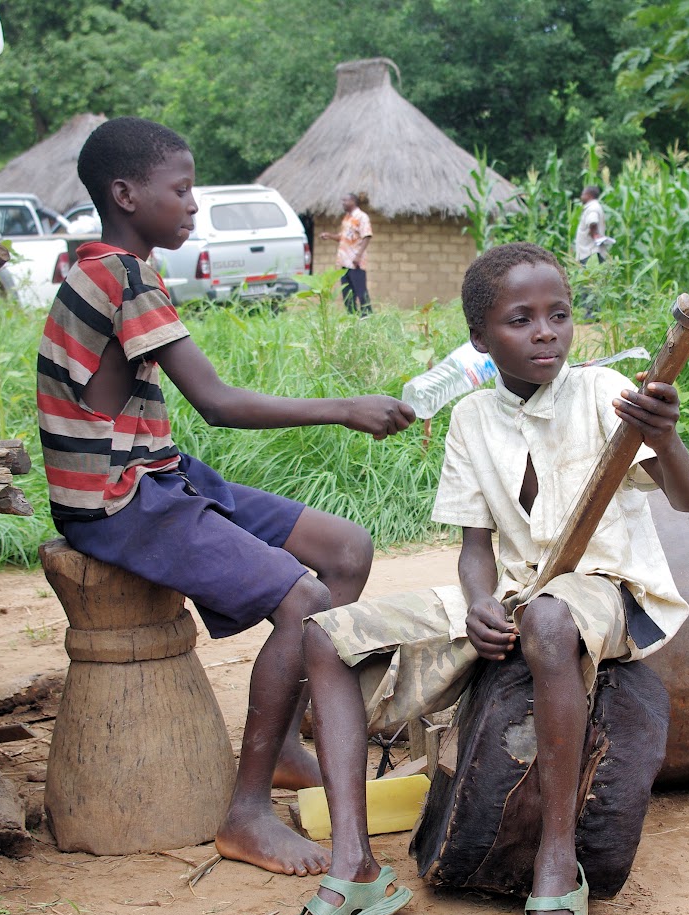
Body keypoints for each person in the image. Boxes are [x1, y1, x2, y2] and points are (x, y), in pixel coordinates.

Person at [269, 242, 689, 915]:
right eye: (521, 319)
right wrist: (475, 601)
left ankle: (556, 869)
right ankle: (356, 867)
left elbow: (688, 497)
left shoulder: (605, 393)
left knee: (548, 622)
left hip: (604, 588)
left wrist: (663, 436)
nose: (546, 332)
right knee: (324, 638)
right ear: (480, 339)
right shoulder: (471, 420)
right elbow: (475, 548)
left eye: (559, 315)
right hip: (508, 588)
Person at [37, 117, 414, 876]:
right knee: (303, 599)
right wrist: (345, 407)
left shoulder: (115, 265)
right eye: (180, 190)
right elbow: (215, 399)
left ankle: (283, 750)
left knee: (347, 550)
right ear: (125, 194)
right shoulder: (118, 274)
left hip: (158, 473)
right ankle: (244, 813)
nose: (194, 206)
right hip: (116, 499)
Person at [320, 192, 372, 314]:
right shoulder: (347, 218)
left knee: (360, 290)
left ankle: (367, 316)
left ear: (353, 201)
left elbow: (367, 236)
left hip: (355, 262)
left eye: (345, 201)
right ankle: (352, 316)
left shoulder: (361, 217)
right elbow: (343, 237)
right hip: (344, 262)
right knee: (347, 292)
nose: (343, 203)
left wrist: (358, 255)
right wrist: (329, 236)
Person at [574, 186, 609, 265]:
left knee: (589, 275)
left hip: (589, 252)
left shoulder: (592, 207)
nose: (581, 197)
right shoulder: (595, 206)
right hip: (591, 252)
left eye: (583, 194)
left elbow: (592, 221)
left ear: (589, 195)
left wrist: (594, 234)